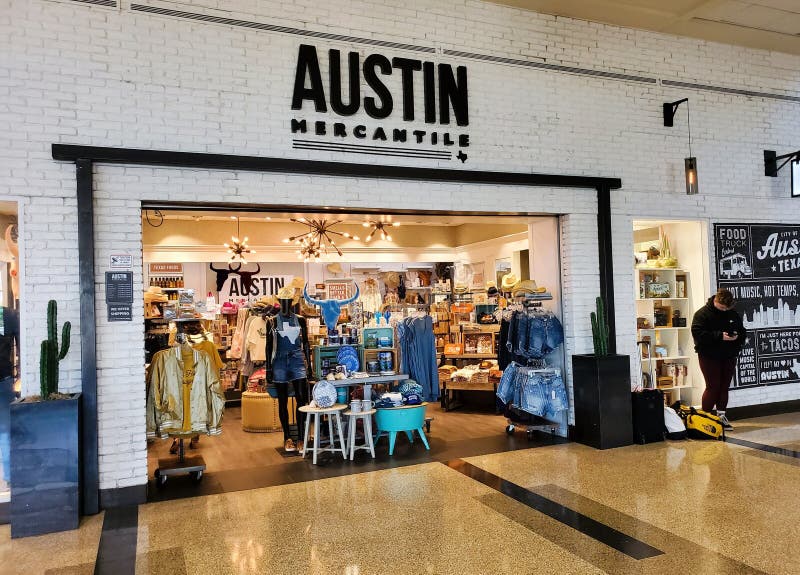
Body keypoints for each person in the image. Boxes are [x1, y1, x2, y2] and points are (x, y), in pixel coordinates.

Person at [691, 288, 746, 430]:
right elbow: (698, 334)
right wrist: (719, 336)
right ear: (715, 300)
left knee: (724, 387)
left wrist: (737, 337)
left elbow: (742, 331)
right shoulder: (702, 314)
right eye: (721, 307)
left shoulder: (732, 313)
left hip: (729, 355)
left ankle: (721, 416)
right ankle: (705, 418)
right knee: (713, 386)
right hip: (709, 356)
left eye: (726, 308)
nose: (723, 310)